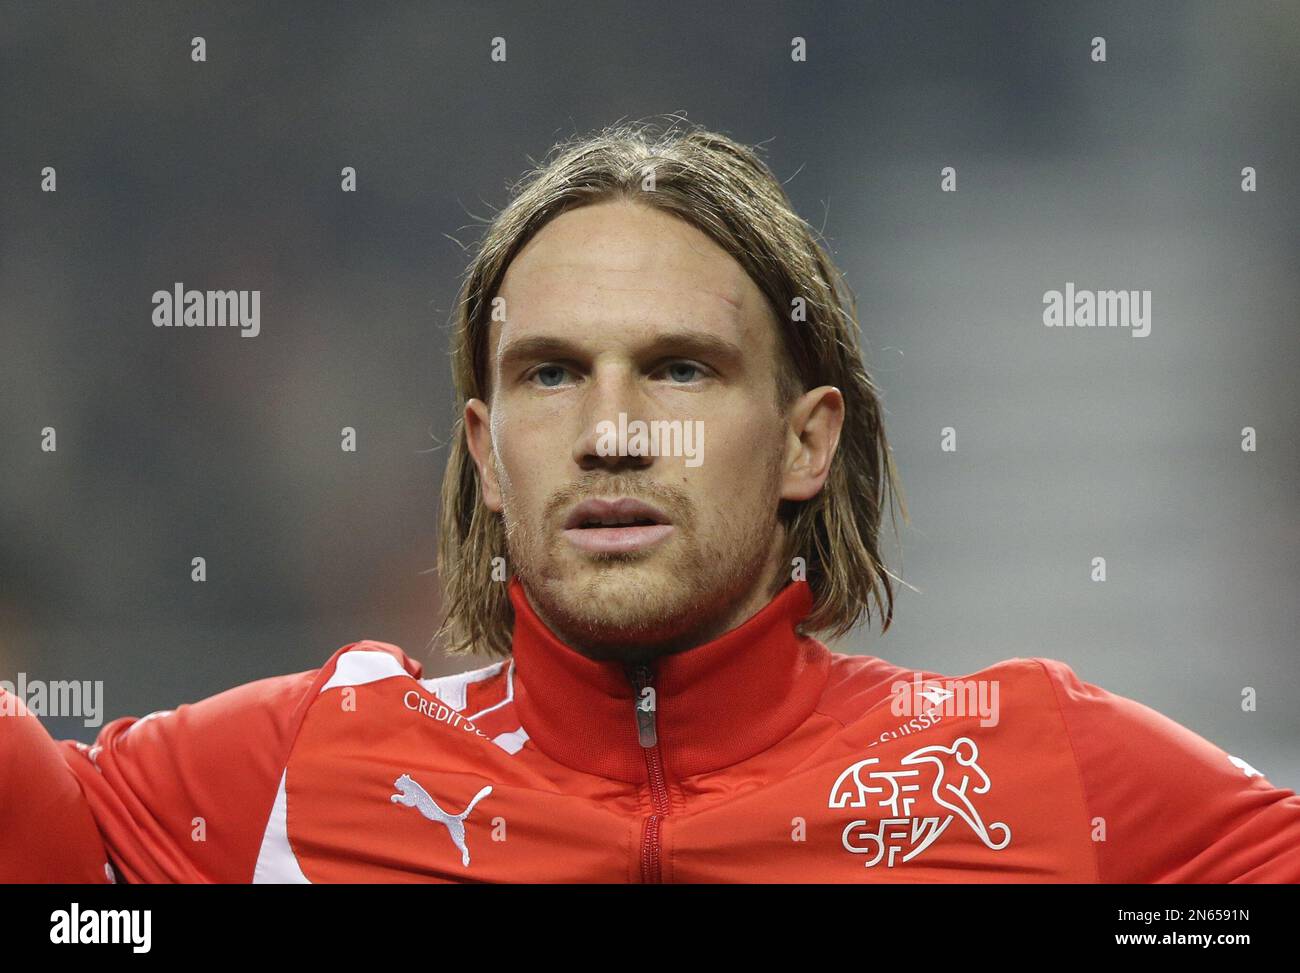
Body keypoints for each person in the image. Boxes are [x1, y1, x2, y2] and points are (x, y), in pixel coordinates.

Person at [4, 120, 1297, 883]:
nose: (612, 432)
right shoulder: (272, 783)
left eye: (679, 368)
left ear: (806, 440)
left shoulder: (1051, 773)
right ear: (489, 454)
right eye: (551, 375)